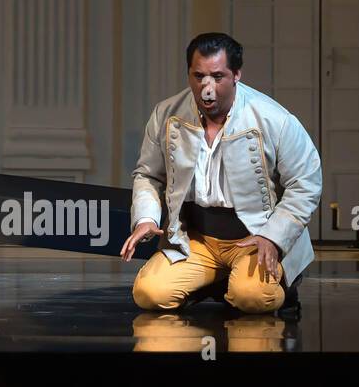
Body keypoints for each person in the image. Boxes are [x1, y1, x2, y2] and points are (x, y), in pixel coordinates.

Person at [120, 33, 322, 314]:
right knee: (150, 293)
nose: (207, 88)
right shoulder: (166, 114)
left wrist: (274, 237)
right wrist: (145, 218)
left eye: (217, 77)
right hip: (198, 240)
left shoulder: (275, 119)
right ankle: (212, 281)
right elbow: (149, 175)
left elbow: (306, 183)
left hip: (255, 237)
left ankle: (277, 284)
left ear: (236, 74)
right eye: (198, 76)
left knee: (251, 298)